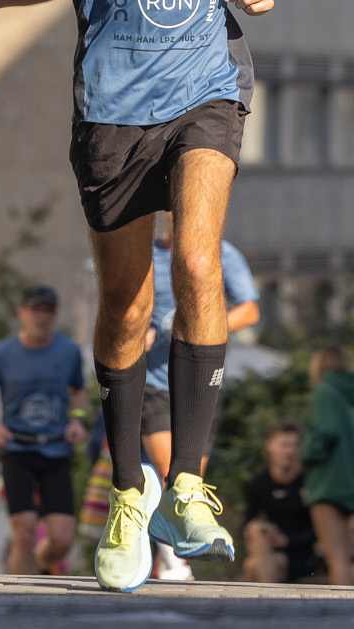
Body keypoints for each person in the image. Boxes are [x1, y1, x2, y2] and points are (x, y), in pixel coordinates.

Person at [0, 0, 277, 591]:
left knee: (197, 262)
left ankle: (188, 482)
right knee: (125, 305)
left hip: (208, 91)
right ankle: (126, 492)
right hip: (112, 108)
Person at [144, 213, 262, 581]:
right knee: (170, 472)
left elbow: (250, 310)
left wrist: (206, 326)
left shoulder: (223, 254)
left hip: (200, 383)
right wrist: (141, 329)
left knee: (188, 478)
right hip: (154, 382)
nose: (178, 215)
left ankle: (170, 545)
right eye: (171, 207)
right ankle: (174, 562)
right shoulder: (146, 257)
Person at [0, 285, 91, 575]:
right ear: (21, 313)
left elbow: (80, 393)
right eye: (36, 310)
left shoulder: (69, 351)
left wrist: (77, 419)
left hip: (56, 449)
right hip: (16, 449)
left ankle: (40, 562)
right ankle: (20, 598)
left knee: (61, 539)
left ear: (55, 315)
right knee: (24, 529)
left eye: (48, 311)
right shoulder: (1, 354)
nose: (42, 317)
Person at [300, 345, 354, 585]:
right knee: (345, 556)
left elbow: (324, 433)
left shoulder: (324, 391)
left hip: (328, 482)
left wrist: (305, 456)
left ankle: (345, 615)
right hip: (353, 482)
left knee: (335, 557)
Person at [241, 420, 319, 584]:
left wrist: (287, 540)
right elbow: (248, 521)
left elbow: (319, 530)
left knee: (251, 566)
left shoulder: (308, 482)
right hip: (269, 550)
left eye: (295, 445)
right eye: (284, 445)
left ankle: (264, 607)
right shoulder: (258, 484)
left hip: (301, 554)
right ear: (269, 446)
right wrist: (260, 531)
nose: (290, 451)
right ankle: (269, 605)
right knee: (256, 536)